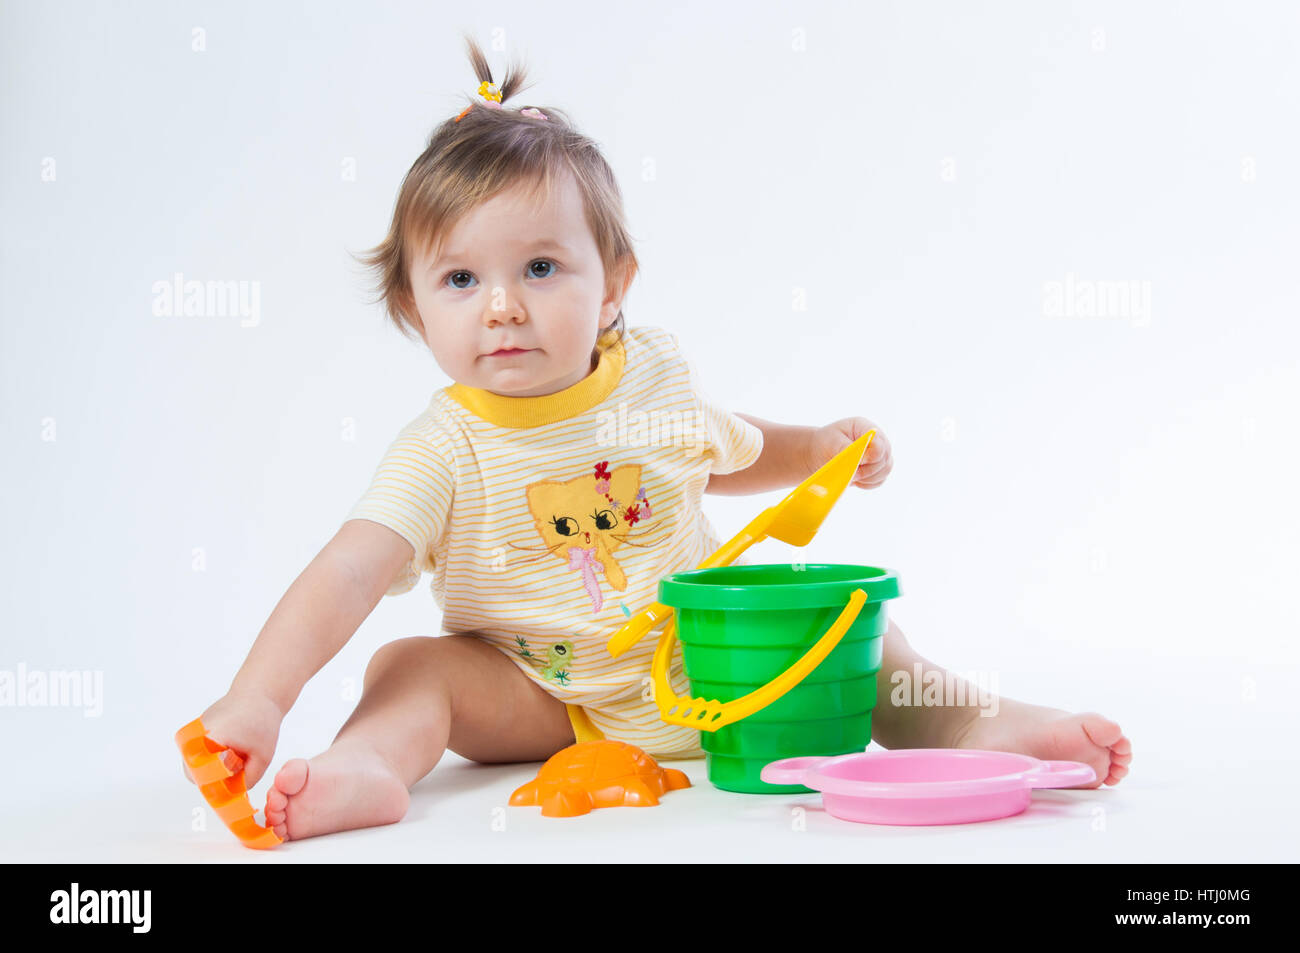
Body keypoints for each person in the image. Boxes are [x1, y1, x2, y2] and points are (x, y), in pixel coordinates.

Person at [186, 36, 1131, 842]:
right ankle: (367, 766)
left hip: (704, 660)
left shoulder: (652, 378)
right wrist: (261, 696)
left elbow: (728, 448)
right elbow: (350, 571)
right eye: (461, 280)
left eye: (542, 266)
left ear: (614, 284)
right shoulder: (444, 449)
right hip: (535, 692)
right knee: (410, 668)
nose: (505, 305)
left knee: (857, 630)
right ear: (412, 306)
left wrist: (817, 448)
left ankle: (975, 726)